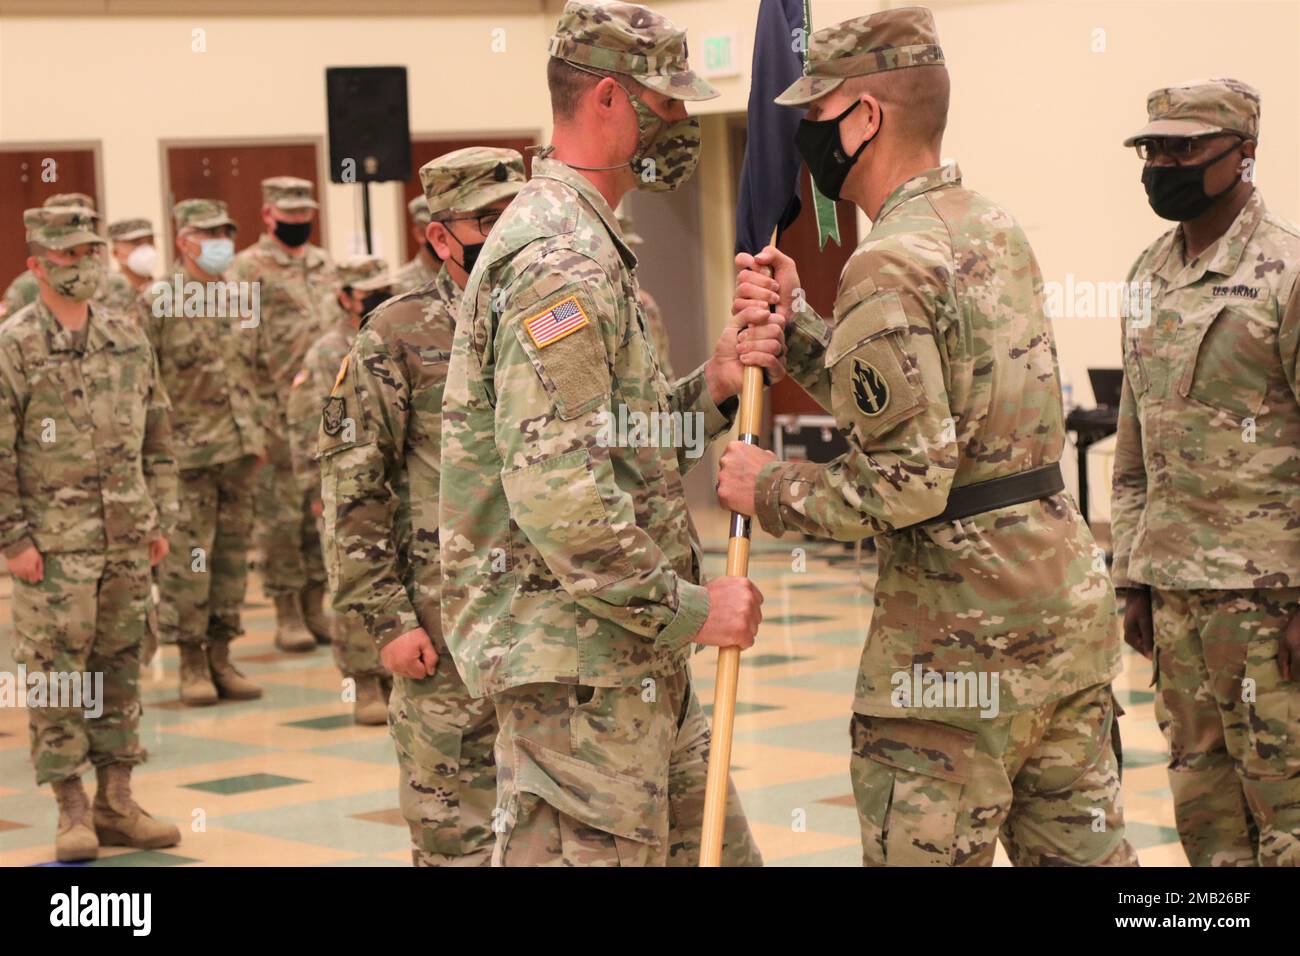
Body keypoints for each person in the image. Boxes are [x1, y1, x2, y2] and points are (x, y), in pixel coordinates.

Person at [719, 7, 1135, 866]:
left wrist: (766, 487)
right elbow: (935, 409)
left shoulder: (886, 263)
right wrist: (799, 328)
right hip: (1060, 627)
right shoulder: (991, 226)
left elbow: (907, 479)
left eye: (817, 118)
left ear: (864, 117)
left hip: (954, 654)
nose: (807, 141)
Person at [438, 0, 782, 867]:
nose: (681, 123)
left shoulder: (591, 242)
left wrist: (710, 388)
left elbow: (615, 447)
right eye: (666, 104)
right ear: (604, 100)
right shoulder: (556, 260)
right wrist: (695, 614)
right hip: (578, 680)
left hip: (628, 663)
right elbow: (559, 497)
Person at [1112, 77, 1300, 867]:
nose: (1164, 164)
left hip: (1270, 610)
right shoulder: (1147, 274)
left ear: (1242, 153)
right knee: (1206, 818)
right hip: (1176, 604)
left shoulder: (1286, 272)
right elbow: (1134, 447)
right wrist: (1131, 578)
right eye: (1153, 149)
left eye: (1185, 148)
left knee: (1288, 812)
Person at [319, 147, 525, 864]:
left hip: (546, 624)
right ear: (442, 238)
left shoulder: (554, 314)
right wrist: (387, 619)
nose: (509, 234)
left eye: (517, 214)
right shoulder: (394, 334)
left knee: (550, 826)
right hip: (444, 625)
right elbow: (352, 485)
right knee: (452, 830)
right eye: (489, 220)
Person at [0, 205, 179, 861]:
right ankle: (71, 810)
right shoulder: (13, 344)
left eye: (90, 252)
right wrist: (13, 539)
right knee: (56, 678)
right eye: (69, 255)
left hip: (127, 541)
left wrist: (156, 515)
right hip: (51, 549)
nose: (83, 265)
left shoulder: (127, 336)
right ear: (37, 265)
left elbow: (157, 434)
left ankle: (118, 802)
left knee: (121, 672)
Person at [144, 199, 265, 705]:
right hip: (186, 456)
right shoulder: (158, 301)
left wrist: (259, 436)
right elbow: (143, 383)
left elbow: (255, 370)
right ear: (183, 240)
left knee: (231, 561)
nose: (220, 242)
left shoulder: (240, 297)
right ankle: (190, 659)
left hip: (238, 452)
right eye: (208, 233)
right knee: (192, 563)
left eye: (226, 232)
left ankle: (221, 655)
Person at [229, 176, 336, 652]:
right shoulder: (246, 269)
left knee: (323, 508)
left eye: (304, 216)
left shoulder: (325, 264)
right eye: (289, 216)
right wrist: (251, 417)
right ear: (268, 215)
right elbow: (238, 348)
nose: (298, 224)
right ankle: (287, 609)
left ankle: (317, 604)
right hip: (275, 412)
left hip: (325, 406)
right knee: (280, 517)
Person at [289, 253, 393, 724]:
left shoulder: (393, 337)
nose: (377, 298)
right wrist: (314, 489)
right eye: (367, 292)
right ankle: (363, 680)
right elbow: (304, 425)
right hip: (344, 489)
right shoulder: (327, 353)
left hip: (395, 482)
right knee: (352, 580)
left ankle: (395, 672)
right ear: (344, 297)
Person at [1, 193, 137, 319]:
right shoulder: (24, 289)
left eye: (85, 222)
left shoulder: (117, 284)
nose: (78, 229)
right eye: (67, 222)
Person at [389, 195, 442, 295]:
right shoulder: (398, 286)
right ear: (419, 234)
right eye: (434, 231)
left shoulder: (468, 276)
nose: (443, 236)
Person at [108, 217, 158, 296]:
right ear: (115, 253)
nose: (145, 249)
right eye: (136, 242)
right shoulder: (106, 295)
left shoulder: (166, 293)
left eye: (150, 242)